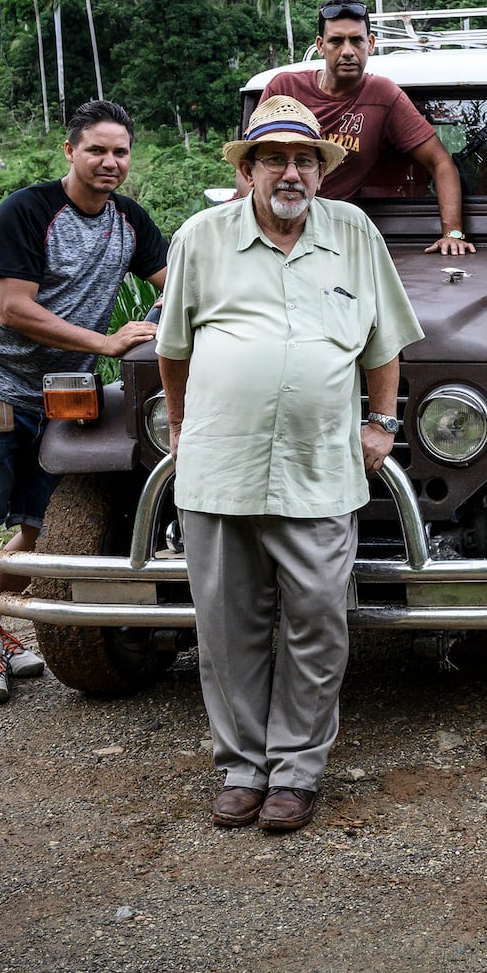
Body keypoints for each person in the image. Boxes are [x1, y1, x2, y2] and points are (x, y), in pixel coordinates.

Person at [157, 95, 423, 831]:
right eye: (273, 159)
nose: (291, 173)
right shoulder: (201, 237)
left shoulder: (354, 232)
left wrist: (382, 422)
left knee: (317, 619)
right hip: (220, 466)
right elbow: (172, 348)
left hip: (319, 466)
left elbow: (385, 342)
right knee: (227, 626)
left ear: (321, 171)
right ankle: (244, 769)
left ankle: (297, 771)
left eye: (305, 159)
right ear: (247, 170)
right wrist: (179, 426)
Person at [0, 100, 168, 706]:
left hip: (62, 393)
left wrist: (171, 309)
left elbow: (174, 280)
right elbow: (14, 308)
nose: (109, 162)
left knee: (50, 526)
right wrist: (106, 341)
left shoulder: (130, 221)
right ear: (70, 151)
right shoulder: (27, 210)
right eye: (96, 150)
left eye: (120, 151)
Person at [262, 0, 475, 257]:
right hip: (269, 222)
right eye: (336, 41)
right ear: (320, 46)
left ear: (370, 44)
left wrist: (452, 233)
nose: (348, 51)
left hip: (326, 232)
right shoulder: (284, 88)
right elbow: (249, 164)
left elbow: (440, 162)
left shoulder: (383, 95)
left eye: (356, 40)